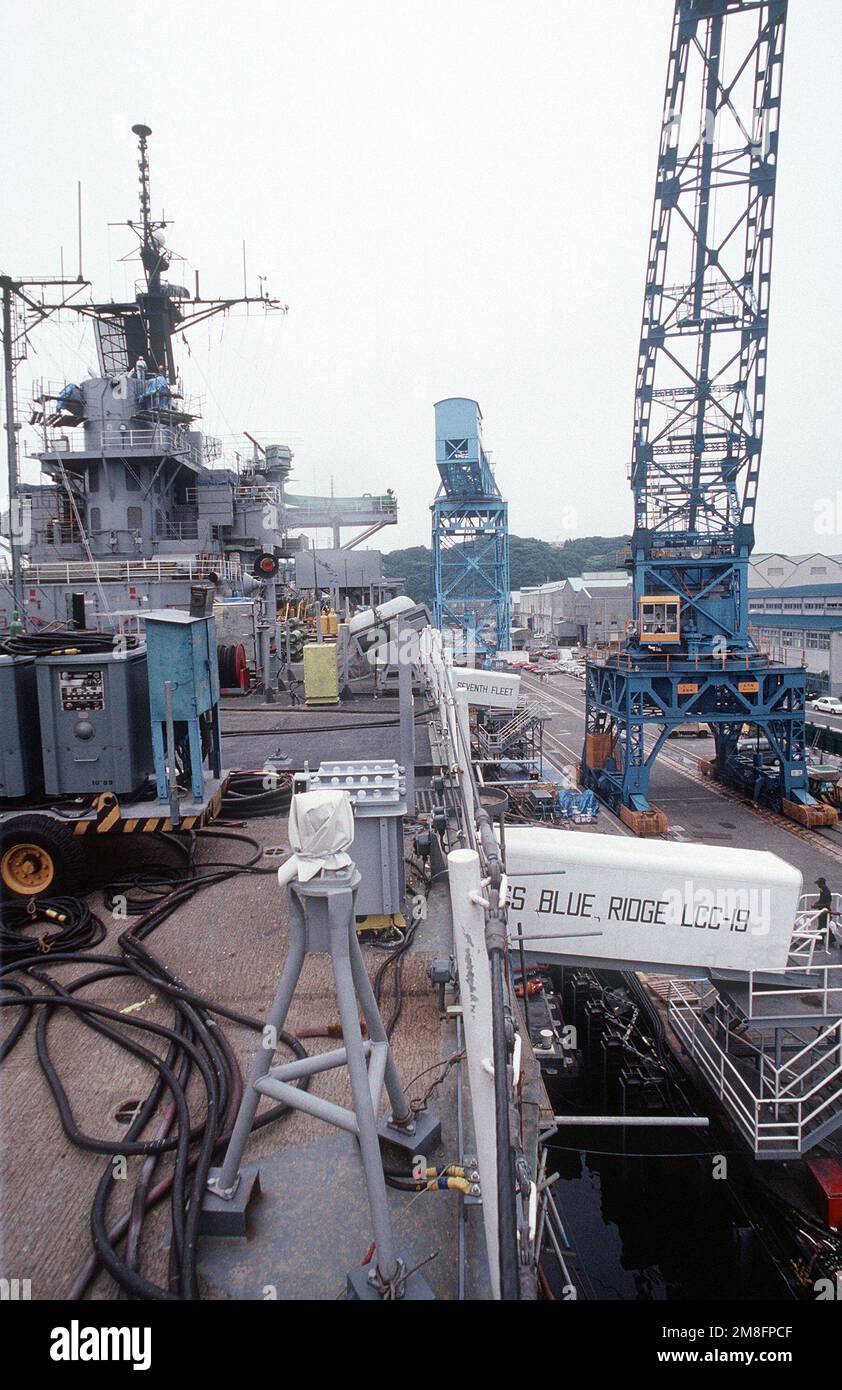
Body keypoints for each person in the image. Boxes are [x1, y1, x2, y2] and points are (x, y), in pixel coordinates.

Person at [815, 877, 835, 944]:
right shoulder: (822, 890)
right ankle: (830, 940)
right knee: (823, 925)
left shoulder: (826, 892)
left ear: (822, 884)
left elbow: (827, 903)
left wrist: (818, 905)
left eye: (818, 884)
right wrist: (817, 903)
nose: (818, 885)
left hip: (825, 911)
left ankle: (820, 940)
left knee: (822, 926)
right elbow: (821, 899)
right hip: (822, 911)